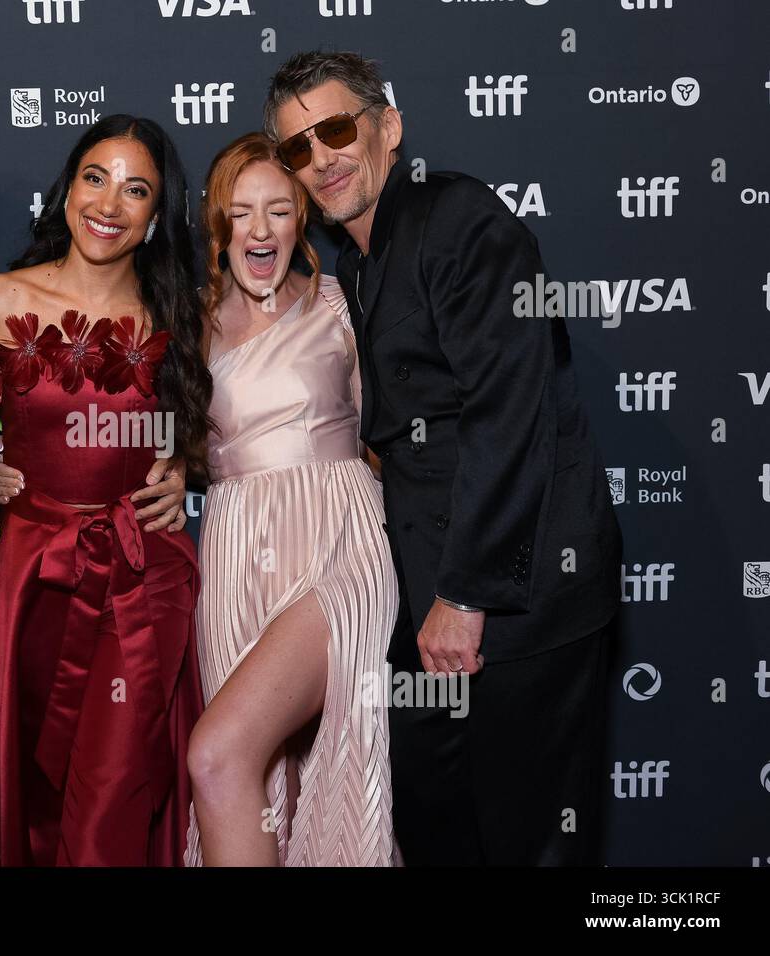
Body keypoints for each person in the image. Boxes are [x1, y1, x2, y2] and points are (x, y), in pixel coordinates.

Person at [265, 50, 622, 865]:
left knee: (530, 839)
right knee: (439, 822)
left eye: (335, 129)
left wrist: (465, 595)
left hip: (519, 601)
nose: (319, 157)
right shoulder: (359, 264)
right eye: (296, 147)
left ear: (387, 126)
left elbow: (510, 410)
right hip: (433, 599)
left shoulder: (456, 219)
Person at [0, 114, 210, 866]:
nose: (109, 203)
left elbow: (236, 423)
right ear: (68, 189)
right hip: (29, 578)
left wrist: (183, 466)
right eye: (95, 178)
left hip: (141, 580)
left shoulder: (183, 316)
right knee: (26, 790)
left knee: (112, 796)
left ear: (154, 217)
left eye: (136, 189)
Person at [183, 132, 399, 867]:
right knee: (266, 785)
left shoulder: (341, 305)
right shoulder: (191, 327)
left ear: (302, 218)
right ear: (220, 226)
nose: (261, 229)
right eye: (241, 212)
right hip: (239, 555)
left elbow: (389, 438)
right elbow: (158, 449)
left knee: (218, 752)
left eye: (279, 209)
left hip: (340, 543)